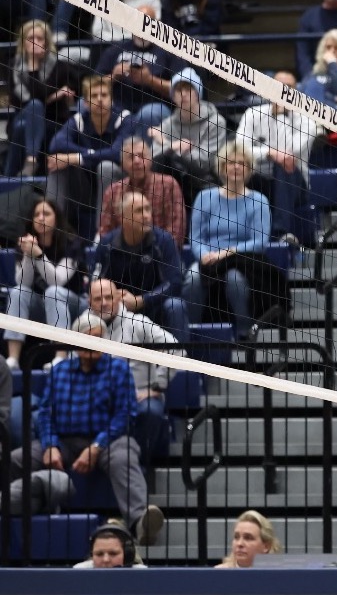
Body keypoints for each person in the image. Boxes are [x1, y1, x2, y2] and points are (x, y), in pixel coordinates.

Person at [7, 312, 165, 546]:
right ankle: (7, 517)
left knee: (125, 456)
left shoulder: (118, 369)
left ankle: (139, 523)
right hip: (63, 441)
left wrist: (96, 446)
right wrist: (50, 445)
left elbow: (125, 415)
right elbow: (45, 414)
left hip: (109, 440)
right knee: (16, 459)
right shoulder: (59, 372)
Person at [185, 143, 283, 341]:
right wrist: (205, 255)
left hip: (243, 260)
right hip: (210, 258)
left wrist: (227, 252)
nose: (236, 167)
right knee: (193, 277)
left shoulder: (259, 200)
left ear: (248, 169)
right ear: (222, 168)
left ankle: (244, 332)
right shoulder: (204, 197)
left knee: (234, 279)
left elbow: (259, 242)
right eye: (231, 162)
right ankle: (190, 334)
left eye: (242, 163)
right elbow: (195, 237)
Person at [90, 190, 188, 343]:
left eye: (148, 209)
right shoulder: (106, 244)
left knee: (175, 305)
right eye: (139, 211)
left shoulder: (164, 241)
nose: (146, 215)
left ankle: (182, 363)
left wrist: (141, 300)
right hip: (117, 307)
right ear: (122, 218)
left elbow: (174, 283)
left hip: (154, 305)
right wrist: (113, 297)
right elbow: (93, 283)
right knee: (87, 305)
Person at [3, 198, 86, 370]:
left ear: (56, 218)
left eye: (46, 214)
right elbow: (22, 282)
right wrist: (29, 254)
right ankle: (13, 358)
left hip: (74, 305)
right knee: (18, 291)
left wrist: (39, 255)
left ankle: (60, 356)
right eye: (37, 215)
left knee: (54, 292)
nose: (41, 218)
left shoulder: (72, 243)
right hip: (43, 306)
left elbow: (58, 280)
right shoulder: (27, 243)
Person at [236, 69, 318, 240]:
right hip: (258, 178)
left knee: (283, 165)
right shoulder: (252, 114)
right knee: (234, 167)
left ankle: (281, 234)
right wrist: (268, 153)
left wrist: (281, 115)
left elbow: (288, 153)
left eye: (289, 87)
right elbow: (240, 150)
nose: (283, 91)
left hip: (294, 183)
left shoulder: (307, 121)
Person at [46, 76, 130, 234]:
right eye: (94, 96)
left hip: (120, 188)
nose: (99, 100)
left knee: (106, 166)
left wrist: (77, 157)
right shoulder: (80, 119)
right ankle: (52, 233)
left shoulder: (124, 118)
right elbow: (55, 144)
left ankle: (102, 234)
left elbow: (117, 153)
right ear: (85, 102)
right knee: (57, 165)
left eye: (104, 95)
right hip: (85, 187)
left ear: (111, 100)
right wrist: (89, 155)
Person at [7, 18, 76, 176]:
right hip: (22, 115)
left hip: (52, 121)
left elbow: (39, 95)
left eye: (40, 38)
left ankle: (17, 171)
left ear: (46, 42)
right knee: (34, 107)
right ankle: (30, 162)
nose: (35, 42)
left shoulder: (60, 67)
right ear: (23, 42)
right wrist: (53, 95)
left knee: (26, 121)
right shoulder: (13, 66)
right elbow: (20, 101)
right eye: (30, 38)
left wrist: (35, 69)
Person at [152, 68, 229, 204]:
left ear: (197, 93)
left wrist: (169, 147)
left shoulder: (216, 122)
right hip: (174, 183)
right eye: (178, 90)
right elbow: (152, 156)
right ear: (173, 96)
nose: (183, 94)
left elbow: (204, 163)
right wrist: (175, 146)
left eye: (188, 89)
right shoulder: (168, 123)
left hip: (204, 183)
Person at [98, 136, 186, 242]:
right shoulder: (113, 191)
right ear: (122, 165)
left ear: (150, 160)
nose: (137, 161)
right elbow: (105, 233)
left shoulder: (168, 185)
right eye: (131, 157)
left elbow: (176, 232)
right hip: (123, 255)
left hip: (160, 254)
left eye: (141, 156)